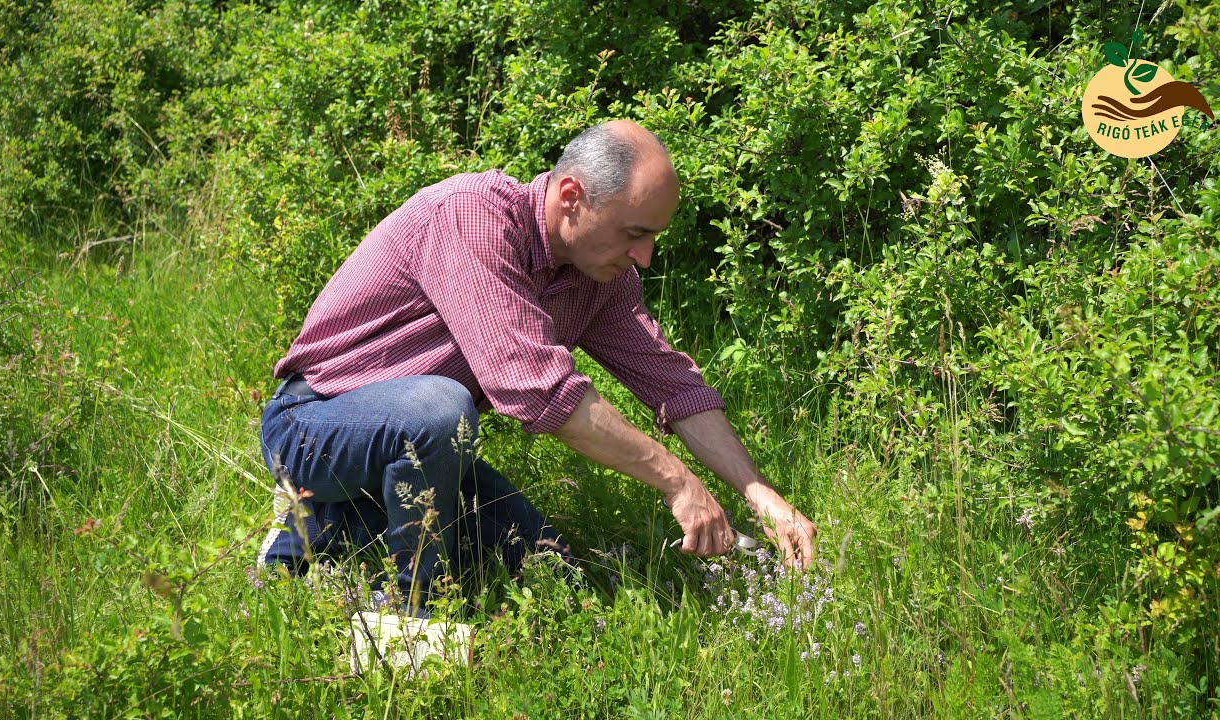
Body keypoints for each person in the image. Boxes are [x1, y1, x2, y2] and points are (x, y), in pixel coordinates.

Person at [257, 119, 817, 615]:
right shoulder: (473, 217)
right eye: (634, 233)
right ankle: (406, 617)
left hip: (421, 450)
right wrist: (677, 482)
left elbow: (674, 384)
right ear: (572, 195)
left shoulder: (600, 280)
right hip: (313, 425)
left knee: (550, 571)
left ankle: (326, 522)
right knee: (438, 408)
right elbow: (533, 384)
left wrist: (759, 493)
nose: (645, 256)